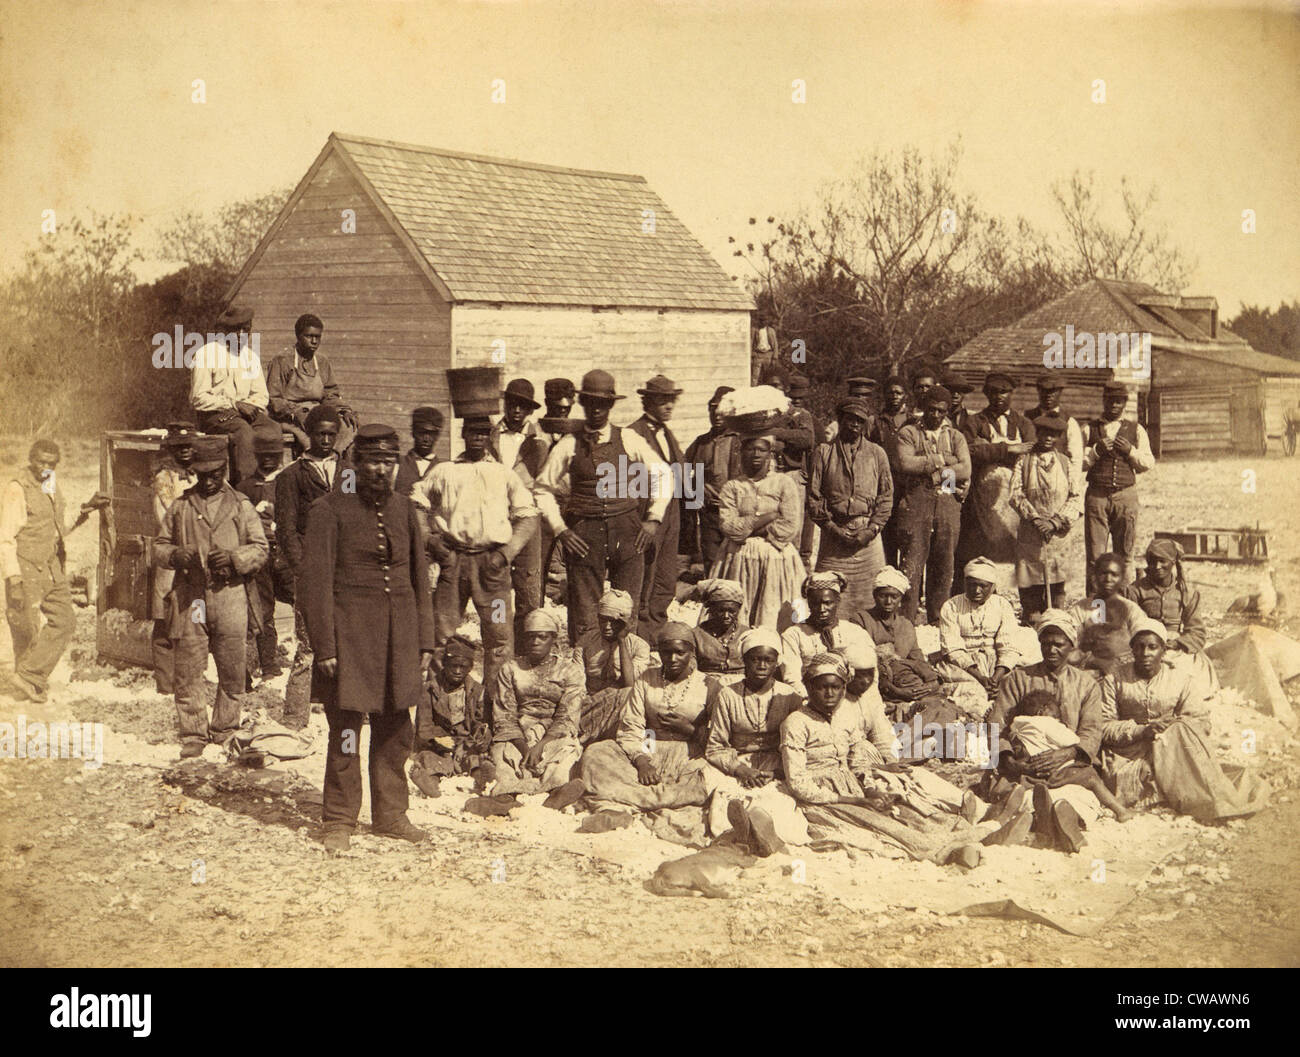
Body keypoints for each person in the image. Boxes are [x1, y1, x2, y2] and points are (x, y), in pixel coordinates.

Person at [300, 423, 435, 852]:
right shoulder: (328, 511)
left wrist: (425, 642)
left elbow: (419, 581)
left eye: (389, 462)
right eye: (373, 461)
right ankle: (339, 819)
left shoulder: (405, 511)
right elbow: (314, 584)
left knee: (396, 730)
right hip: (350, 640)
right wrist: (325, 646)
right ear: (356, 464)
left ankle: (391, 815)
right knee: (346, 731)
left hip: (399, 639)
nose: (381, 470)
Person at [533, 369, 671, 644]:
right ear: (582, 404)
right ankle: (586, 673)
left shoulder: (628, 438)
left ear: (611, 405)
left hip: (627, 530)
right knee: (585, 609)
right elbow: (541, 489)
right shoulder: (570, 443)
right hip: (585, 533)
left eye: (603, 403)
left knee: (626, 606)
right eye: (590, 403)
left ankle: (625, 669)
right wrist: (561, 530)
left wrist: (653, 519)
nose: (596, 409)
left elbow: (663, 474)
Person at [152, 436, 268, 757]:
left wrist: (235, 558)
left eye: (215, 473)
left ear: (224, 469)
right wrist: (177, 555)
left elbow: (261, 549)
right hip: (194, 600)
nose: (209, 480)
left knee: (232, 667)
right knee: (189, 665)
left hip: (231, 597)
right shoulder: (181, 506)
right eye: (203, 475)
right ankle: (193, 732)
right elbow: (158, 548)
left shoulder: (241, 506)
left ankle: (225, 728)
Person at [413, 414, 540, 701]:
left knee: (498, 639)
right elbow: (416, 503)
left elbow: (528, 515)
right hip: (453, 564)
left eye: (484, 433)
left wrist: (506, 554)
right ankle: (439, 704)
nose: (478, 438)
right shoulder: (444, 471)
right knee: (442, 635)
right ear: (464, 434)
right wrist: (432, 541)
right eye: (473, 432)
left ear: (489, 437)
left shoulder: (504, 474)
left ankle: (495, 705)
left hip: (491, 569)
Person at [1100, 619, 1266, 822]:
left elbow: (1201, 721)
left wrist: (1171, 730)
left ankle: (1215, 803)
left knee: (1186, 748)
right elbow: (1104, 725)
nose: (1145, 653)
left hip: (1173, 749)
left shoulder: (1180, 679)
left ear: (1163, 650)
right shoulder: (1114, 679)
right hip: (1130, 751)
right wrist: (1141, 730)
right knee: (1139, 777)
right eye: (1139, 646)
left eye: (1153, 647)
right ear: (1132, 649)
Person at [983, 610, 1106, 850]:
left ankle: (1061, 820)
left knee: (1078, 796)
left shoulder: (1086, 685)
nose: (1052, 650)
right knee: (1015, 793)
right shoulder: (1018, 679)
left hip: (1068, 768)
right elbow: (996, 725)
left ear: (1071, 646)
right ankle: (1047, 824)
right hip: (1024, 768)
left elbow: (1091, 731)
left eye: (1059, 644)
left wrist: (1067, 754)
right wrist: (1011, 760)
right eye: (1046, 643)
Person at [579, 622, 717, 813]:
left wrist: (691, 730)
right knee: (596, 752)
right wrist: (642, 761)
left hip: (688, 750)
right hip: (649, 743)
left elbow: (720, 736)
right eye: (666, 652)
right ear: (658, 652)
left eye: (680, 652)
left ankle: (624, 801)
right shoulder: (647, 678)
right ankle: (658, 799)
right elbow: (632, 724)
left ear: (691, 652)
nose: (672, 658)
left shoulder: (708, 685)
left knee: (705, 776)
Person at [704, 626, 808, 852]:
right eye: (755, 659)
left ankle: (766, 835)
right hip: (737, 761)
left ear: (776, 662)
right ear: (744, 660)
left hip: (778, 762)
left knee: (779, 798)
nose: (762, 666)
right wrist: (739, 769)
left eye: (768, 660)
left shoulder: (789, 696)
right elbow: (715, 746)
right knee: (726, 795)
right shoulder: (728, 695)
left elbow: (800, 744)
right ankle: (740, 833)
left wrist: (778, 771)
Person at [275, 404, 343, 726]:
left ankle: (349, 705)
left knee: (346, 638)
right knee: (307, 643)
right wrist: (303, 569)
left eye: (332, 434)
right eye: (320, 434)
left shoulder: (349, 473)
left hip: (345, 568)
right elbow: (286, 529)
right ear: (310, 435)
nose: (326, 440)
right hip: (311, 569)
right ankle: (294, 716)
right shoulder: (292, 477)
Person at [1, 440, 76, 704]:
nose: (45, 468)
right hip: (26, 566)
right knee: (26, 628)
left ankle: (29, 675)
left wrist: (86, 510)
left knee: (65, 620)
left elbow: (57, 525)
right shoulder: (17, 488)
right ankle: (26, 689)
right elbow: (6, 538)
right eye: (41, 462)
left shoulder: (51, 483)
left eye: (51, 464)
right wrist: (15, 580)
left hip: (51, 565)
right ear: (31, 460)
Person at [807, 398, 894, 617]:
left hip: (867, 539)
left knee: (872, 599)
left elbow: (886, 496)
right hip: (834, 537)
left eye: (860, 420)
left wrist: (871, 530)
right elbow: (814, 498)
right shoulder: (823, 452)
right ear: (840, 420)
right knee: (826, 595)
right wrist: (833, 529)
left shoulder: (877, 454)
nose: (854, 424)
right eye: (849, 419)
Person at [711, 434, 805, 629]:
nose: (756, 454)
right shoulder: (733, 487)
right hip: (739, 557)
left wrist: (748, 527)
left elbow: (789, 526)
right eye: (750, 449)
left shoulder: (784, 483)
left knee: (775, 613)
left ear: (770, 455)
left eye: (762, 450)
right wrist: (768, 517)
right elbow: (728, 527)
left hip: (776, 557)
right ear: (741, 453)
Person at [893, 385, 970, 624]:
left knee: (944, 561)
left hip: (946, 497)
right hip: (917, 500)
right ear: (924, 408)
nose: (936, 415)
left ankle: (938, 617)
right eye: (931, 410)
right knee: (913, 562)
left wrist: (938, 473)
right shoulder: (909, 432)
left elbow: (965, 469)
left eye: (941, 411)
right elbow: (905, 463)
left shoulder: (955, 435)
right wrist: (941, 460)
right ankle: (906, 618)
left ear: (947, 411)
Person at [955, 371, 1036, 592]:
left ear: (1012, 393)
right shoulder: (975, 421)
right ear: (986, 394)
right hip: (984, 496)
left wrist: (987, 448)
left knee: (1013, 545)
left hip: (1014, 492)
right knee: (984, 546)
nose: (998, 396)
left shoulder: (1023, 423)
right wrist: (1007, 448)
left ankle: (1011, 596)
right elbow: (970, 450)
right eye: (993, 392)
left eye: (1004, 392)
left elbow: (1029, 451)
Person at [491, 609, 585, 795]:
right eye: (530, 637)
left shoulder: (570, 671)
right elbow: (504, 714)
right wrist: (526, 748)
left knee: (564, 756)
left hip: (553, 734)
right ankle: (506, 797)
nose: (535, 642)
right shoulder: (511, 668)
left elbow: (567, 716)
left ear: (553, 639)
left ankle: (556, 794)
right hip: (519, 733)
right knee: (503, 757)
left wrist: (540, 746)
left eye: (542, 637)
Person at [1007, 689, 1133, 822]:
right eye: (1055, 715)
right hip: (1058, 772)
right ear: (1042, 711)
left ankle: (1047, 819)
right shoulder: (1046, 722)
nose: (1058, 718)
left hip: (1032, 775)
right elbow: (1072, 740)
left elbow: (1093, 731)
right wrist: (1005, 759)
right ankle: (1121, 811)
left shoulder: (1016, 727)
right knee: (1091, 778)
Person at [626, 375, 687, 644]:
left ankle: (657, 628)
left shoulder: (668, 434)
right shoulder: (633, 434)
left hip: (671, 513)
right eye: (663, 400)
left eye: (671, 400)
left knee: (665, 573)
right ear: (647, 401)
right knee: (645, 572)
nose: (669, 406)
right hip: (647, 512)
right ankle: (638, 634)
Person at [1007, 415, 1084, 621]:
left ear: (1059, 437)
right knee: (1029, 572)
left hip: (1058, 532)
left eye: (1053, 434)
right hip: (1031, 529)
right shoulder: (1023, 461)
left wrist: (1055, 522)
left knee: (1057, 575)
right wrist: (1034, 519)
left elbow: (1076, 497)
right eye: (1044, 433)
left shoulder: (1066, 463)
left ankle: (1056, 615)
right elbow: (1015, 493)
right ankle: (1031, 614)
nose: (1048, 438)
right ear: (1037, 434)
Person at [492, 379, 551, 643]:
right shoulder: (490, 436)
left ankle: (527, 647)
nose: (516, 410)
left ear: (530, 410)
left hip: (527, 520)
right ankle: (500, 643)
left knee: (528, 584)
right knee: (497, 582)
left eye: (523, 406)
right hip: (495, 518)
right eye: (512, 404)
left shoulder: (541, 439)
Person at [1082, 380, 1154, 588]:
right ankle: (1096, 608)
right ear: (1103, 400)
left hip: (1126, 495)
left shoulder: (1136, 429)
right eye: (1110, 400)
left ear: (1124, 403)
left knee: (1124, 554)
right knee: (1095, 557)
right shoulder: (1089, 429)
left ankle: (1123, 604)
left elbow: (1148, 463)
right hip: (1097, 496)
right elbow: (1078, 463)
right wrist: (1096, 451)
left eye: (1118, 401)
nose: (1114, 405)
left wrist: (1130, 451)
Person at [1123, 538, 1217, 698]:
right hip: (1144, 645)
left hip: (1176, 649)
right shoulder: (1136, 590)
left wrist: (1176, 643)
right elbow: (1128, 626)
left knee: (1190, 675)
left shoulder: (1187, 592)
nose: (1157, 567)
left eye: (1162, 561)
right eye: (1152, 562)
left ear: (1173, 562)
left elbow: (1197, 632)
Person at [189, 303, 272, 483]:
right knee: (244, 433)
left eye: (246, 330)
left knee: (272, 429)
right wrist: (234, 404)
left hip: (246, 414)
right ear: (225, 331)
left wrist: (250, 405)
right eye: (236, 330)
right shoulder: (206, 354)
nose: (241, 335)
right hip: (215, 416)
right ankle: (246, 487)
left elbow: (262, 395)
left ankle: (269, 484)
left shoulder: (251, 357)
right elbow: (198, 398)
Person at [236, 426, 290, 683]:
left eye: (273, 455)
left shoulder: (289, 481)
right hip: (261, 557)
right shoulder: (245, 486)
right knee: (263, 610)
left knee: (303, 603)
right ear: (256, 456)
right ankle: (269, 665)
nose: (268, 460)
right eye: (263, 455)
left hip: (288, 554)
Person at [852, 566, 943, 720]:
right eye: (883, 596)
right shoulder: (861, 620)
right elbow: (859, 661)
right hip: (873, 682)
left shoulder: (906, 625)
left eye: (894, 597)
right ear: (875, 595)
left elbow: (917, 659)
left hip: (905, 682)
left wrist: (930, 684)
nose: (888, 601)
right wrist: (894, 690)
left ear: (900, 598)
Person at [149, 423, 200, 694]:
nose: (186, 452)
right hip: (172, 554)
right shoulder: (164, 479)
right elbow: (170, 517)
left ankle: (190, 676)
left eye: (189, 446)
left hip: (196, 557)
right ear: (172, 449)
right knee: (165, 616)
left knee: (193, 614)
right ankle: (166, 683)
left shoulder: (200, 474)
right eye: (180, 448)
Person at [409, 635, 490, 797]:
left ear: (470, 668)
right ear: (444, 664)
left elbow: (479, 723)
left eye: (463, 666)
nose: (458, 671)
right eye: (453, 666)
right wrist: (438, 741)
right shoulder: (429, 690)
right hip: (439, 743)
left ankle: (483, 784)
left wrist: (477, 738)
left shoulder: (477, 691)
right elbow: (423, 728)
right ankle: (431, 785)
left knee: (477, 760)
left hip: (466, 743)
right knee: (430, 759)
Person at [265, 313, 358, 454]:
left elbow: (330, 394)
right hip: (292, 415)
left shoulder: (322, 361)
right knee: (318, 429)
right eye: (309, 336)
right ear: (298, 336)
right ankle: (316, 460)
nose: (314, 341)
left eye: (318, 337)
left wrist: (343, 410)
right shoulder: (282, 360)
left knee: (347, 425)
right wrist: (293, 411)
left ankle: (333, 458)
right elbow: (274, 398)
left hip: (319, 411)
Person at [778, 571, 876, 694]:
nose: (822, 609)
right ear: (808, 603)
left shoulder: (855, 632)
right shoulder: (793, 635)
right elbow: (792, 679)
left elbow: (871, 674)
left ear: (838, 601)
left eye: (827, 603)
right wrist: (813, 702)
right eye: (815, 603)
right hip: (810, 700)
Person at [575, 588, 651, 745]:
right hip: (589, 706)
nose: (607, 626)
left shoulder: (639, 646)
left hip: (621, 710)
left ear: (626, 622)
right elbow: (576, 681)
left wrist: (622, 641)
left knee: (629, 695)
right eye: (603, 620)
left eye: (614, 621)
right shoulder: (586, 642)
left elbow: (630, 684)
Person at [935, 557, 1021, 693]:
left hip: (996, 663)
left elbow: (1008, 645)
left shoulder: (1002, 605)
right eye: (972, 585)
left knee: (1016, 682)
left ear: (993, 587)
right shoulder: (951, 606)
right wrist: (980, 677)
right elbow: (953, 648)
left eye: (983, 586)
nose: (977, 590)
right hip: (964, 666)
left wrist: (996, 677)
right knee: (969, 687)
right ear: (965, 583)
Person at [682, 386, 741, 569]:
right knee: (712, 562)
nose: (716, 414)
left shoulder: (742, 440)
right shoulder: (701, 443)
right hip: (710, 515)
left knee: (736, 563)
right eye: (713, 408)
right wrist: (699, 489)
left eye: (722, 409)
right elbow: (681, 470)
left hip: (738, 514)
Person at [1067, 553, 1148, 676]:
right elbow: (1068, 649)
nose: (1108, 579)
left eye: (1114, 575)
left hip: (1124, 673)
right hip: (1087, 672)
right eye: (1103, 573)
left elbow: (1144, 643)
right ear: (1095, 576)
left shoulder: (1131, 609)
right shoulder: (1080, 609)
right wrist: (1095, 661)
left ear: (1122, 578)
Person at [769, 373, 819, 563]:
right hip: (770, 475)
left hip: (791, 474)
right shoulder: (767, 413)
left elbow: (807, 439)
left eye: (778, 387)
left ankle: (796, 571)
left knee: (792, 527)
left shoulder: (799, 415)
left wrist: (777, 434)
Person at [870, 375, 911, 567]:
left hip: (908, 483)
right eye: (891, 392)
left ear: (905, 396)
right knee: (887, 534)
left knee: (907, 534)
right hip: (884, 482)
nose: (894, 396)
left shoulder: (913, 421)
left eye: (898, 392)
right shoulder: (876, 421)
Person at [690, 577, 750, 676]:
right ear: (711, 609)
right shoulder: (696, 635)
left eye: (732, 611)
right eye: (721, 611)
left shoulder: (747, 634)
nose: (726, 616)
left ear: (738, 610)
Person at [1026, 373, 1083, 475]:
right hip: (1030, 476)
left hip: (1058, 479)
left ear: (1060, 392)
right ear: (1038, 391)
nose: (1048, 395)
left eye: (1053, 391)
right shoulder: (1026, 419)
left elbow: (1076, 459)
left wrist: (1073, 487)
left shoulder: (1069, 422)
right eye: (1044, 390)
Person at [394, 406, 442, 497]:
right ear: (413, 432)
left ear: (437, 436)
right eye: (421, 432)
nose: (426, 439)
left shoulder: (442, 470)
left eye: (431, 434)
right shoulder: (398, 464)